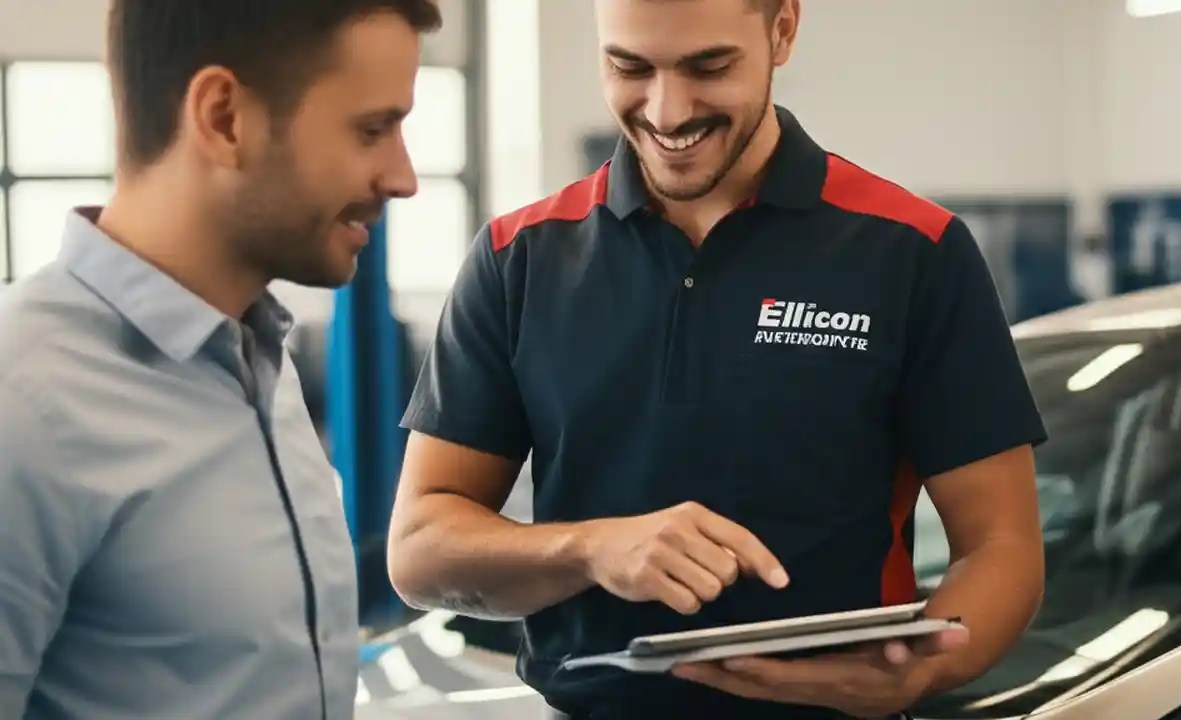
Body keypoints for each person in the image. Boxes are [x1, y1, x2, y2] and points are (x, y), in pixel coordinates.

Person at [387, 0, 1046, 717]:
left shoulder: (913, 251)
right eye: (628, 67)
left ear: (783, 30)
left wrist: (919, 675)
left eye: (709, 66)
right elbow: (421, 547)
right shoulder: (519, 259)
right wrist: (590, 549)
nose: (667, 112)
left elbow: (1000, 547)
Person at [0, 1, 437, 718]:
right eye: (372, 129)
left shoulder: (258, 358)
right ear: (225, 117)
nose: (402, 176)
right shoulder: (22, 405)